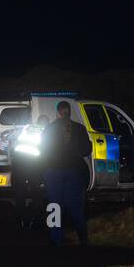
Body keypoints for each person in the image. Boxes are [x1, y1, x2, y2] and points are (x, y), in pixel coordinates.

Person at [40, 101, 91, 245]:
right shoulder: (80, 129)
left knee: (54, 206)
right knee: (75, 206)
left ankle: (56, 240)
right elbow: (87, 150)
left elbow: (42, 151)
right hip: (74, 171)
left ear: (57, 113)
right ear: (69, 112)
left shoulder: (49, 129)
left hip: (53, 172)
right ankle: (83, 238)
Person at [11, 114, 49, 228]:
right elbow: (46, 151)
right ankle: (33, 220)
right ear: (46, 124)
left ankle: (20, 221)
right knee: (36, 193)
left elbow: (15, 141)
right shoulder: (45, 131)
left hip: (18, 162)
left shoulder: (26, 127)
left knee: (20, 194)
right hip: (32, 164)